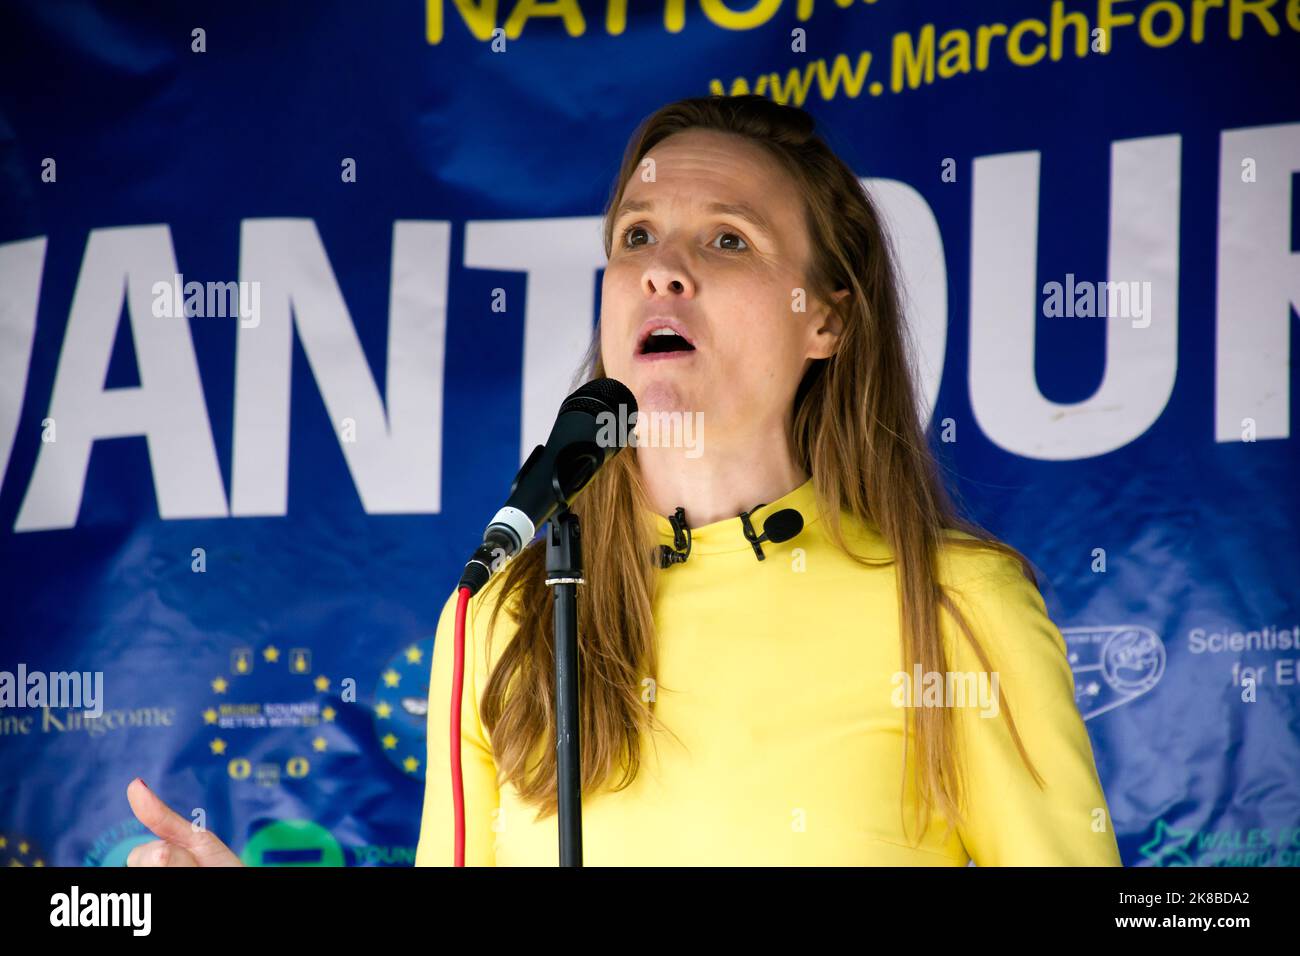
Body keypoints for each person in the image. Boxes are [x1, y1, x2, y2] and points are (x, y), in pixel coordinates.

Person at [125, 94, 1122, 868]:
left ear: (827, 318)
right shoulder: (497, 613)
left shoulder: (952, 604)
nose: (662, 269)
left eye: (727, 239)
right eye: (636, 236)